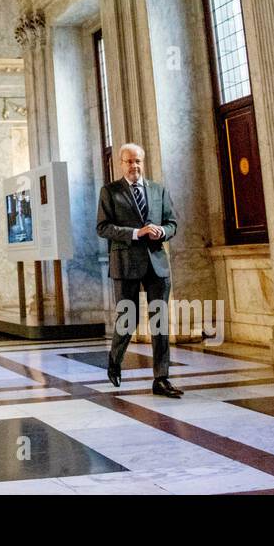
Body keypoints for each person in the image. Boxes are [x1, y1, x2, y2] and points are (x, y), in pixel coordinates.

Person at [95, 142, 183, 398]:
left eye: (138, 161)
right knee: (128, 319)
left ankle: (161, 379)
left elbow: (172, 223)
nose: (134, 166)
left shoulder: (158, 190)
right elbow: (103, 228)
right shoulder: (110, 192)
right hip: (125, 263)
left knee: (160, 321)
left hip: (156, 262)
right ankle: (114, 360)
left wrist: (162, 231)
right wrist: (136, 233)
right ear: (120, 164)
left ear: (143, 162)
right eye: (129, 161)